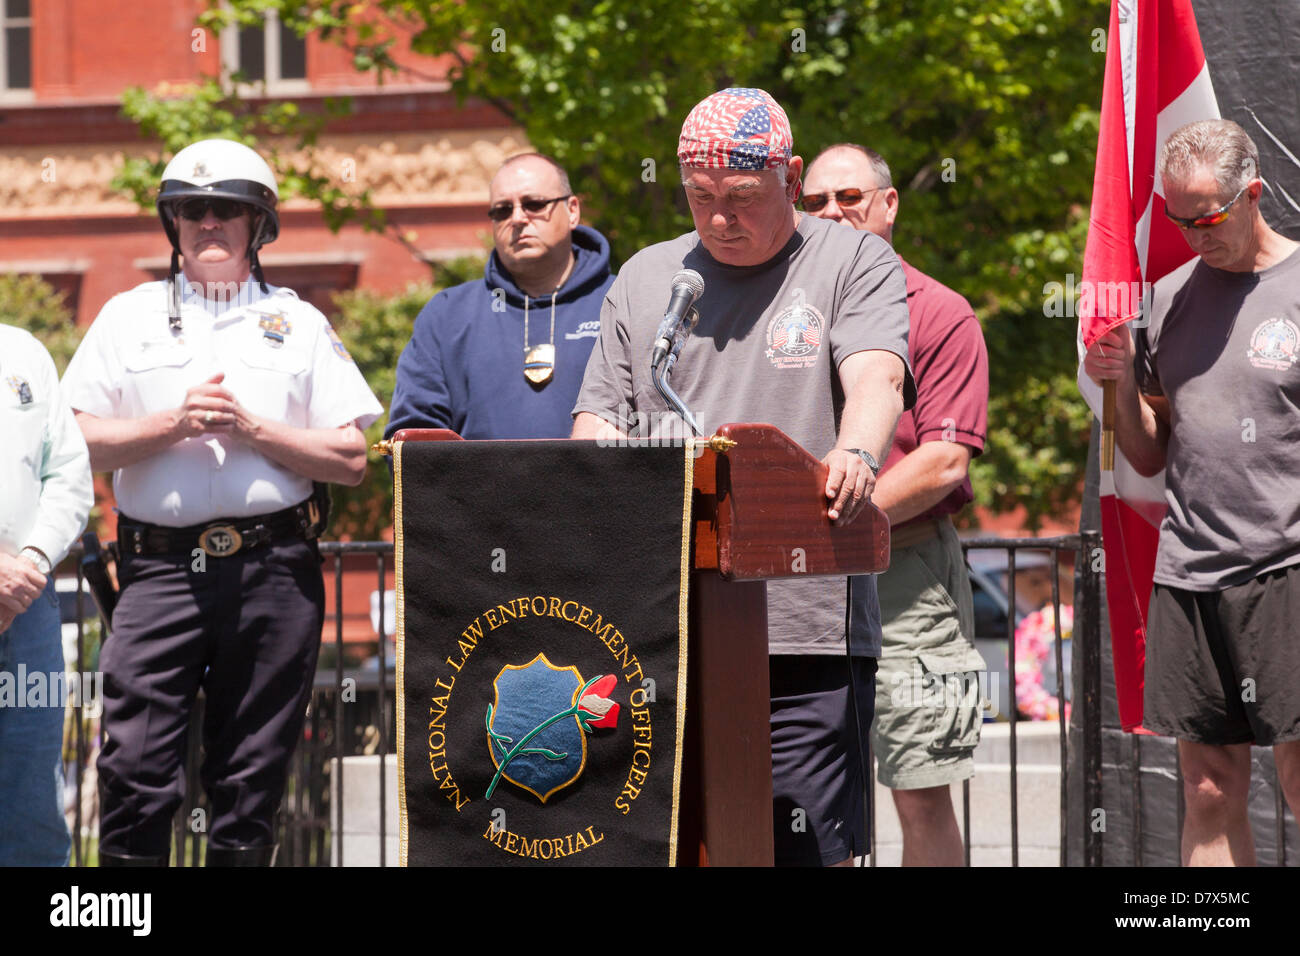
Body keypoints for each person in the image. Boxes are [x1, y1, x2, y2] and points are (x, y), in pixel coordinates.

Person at [572, 88, 915, 866]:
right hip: (664, 629)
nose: (720, 218)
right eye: (701, 199)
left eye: (742, 199)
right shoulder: (647, 277)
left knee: (800, 855)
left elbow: (876, 379)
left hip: (808, 630)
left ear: (790, 178)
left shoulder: (852, 258)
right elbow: (597, 428)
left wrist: (856, 453)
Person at [61, 138, 383, 866]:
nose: (209, 223)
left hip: (274, 573)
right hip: (158, 576)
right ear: (172, 223)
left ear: (259, 225)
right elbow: (73, 443)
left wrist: (253, 429)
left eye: (227, 210)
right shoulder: (123, 317)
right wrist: (173, 423)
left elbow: (352, 457)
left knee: (248, 785)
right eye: (193, 210)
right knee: (135, 774)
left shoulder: (298, 323)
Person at [1084, 118, 1300, 865]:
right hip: (1191, 572)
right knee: (1208, 790)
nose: (1192, 234)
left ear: (1253, 195)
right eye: (1178, 219)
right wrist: (1117, 387)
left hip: (1288, 573)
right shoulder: (1168, 298)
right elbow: (1148, 451)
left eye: (1207, 217)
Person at [802, 144, 989, 866]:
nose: (831, 213)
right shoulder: (784, 315)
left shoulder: (939, 311)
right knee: (806, 789)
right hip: (790, 582)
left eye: (848, 196)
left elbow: (943, 462)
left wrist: (827, 513)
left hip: (904, 575)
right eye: (814, 202)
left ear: (888, 204)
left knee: (920, 789)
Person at [386, 153, 614, 440]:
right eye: (502, 210)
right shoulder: (447, 315)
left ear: (572, 211)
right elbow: (414, 438)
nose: (517, 218)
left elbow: (659, 425)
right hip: (476, 487)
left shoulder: (623, 303)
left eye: (534, 204)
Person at [0, 325, 93, 866]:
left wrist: (30, 566)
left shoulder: (23, 351)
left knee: (31, 809)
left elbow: (68, 475)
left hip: (28, 610)